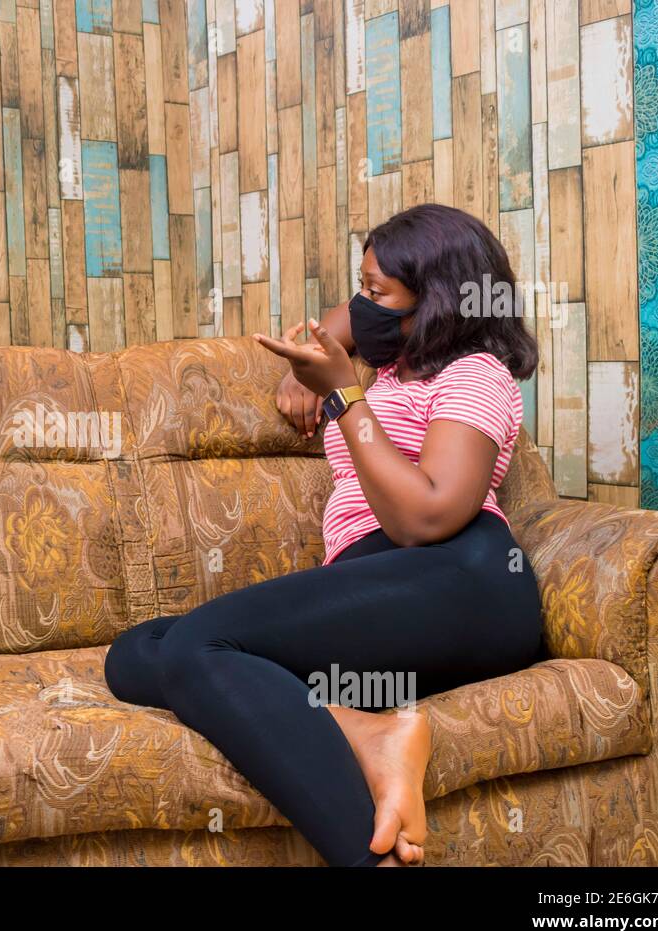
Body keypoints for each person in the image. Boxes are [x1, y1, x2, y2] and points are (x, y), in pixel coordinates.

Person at [104, 204, 544, 867]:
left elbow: (424, 518)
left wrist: (343, 394)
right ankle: (371, 733)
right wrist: (307, 361)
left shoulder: (474, 374)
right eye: (360, 286)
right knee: (140, 653)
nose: (359, 307)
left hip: (462, 577)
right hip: (380, 592)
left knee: (201, 643)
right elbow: (343, 319)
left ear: (437, 302)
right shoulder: (398, 358)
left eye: (376, 293)